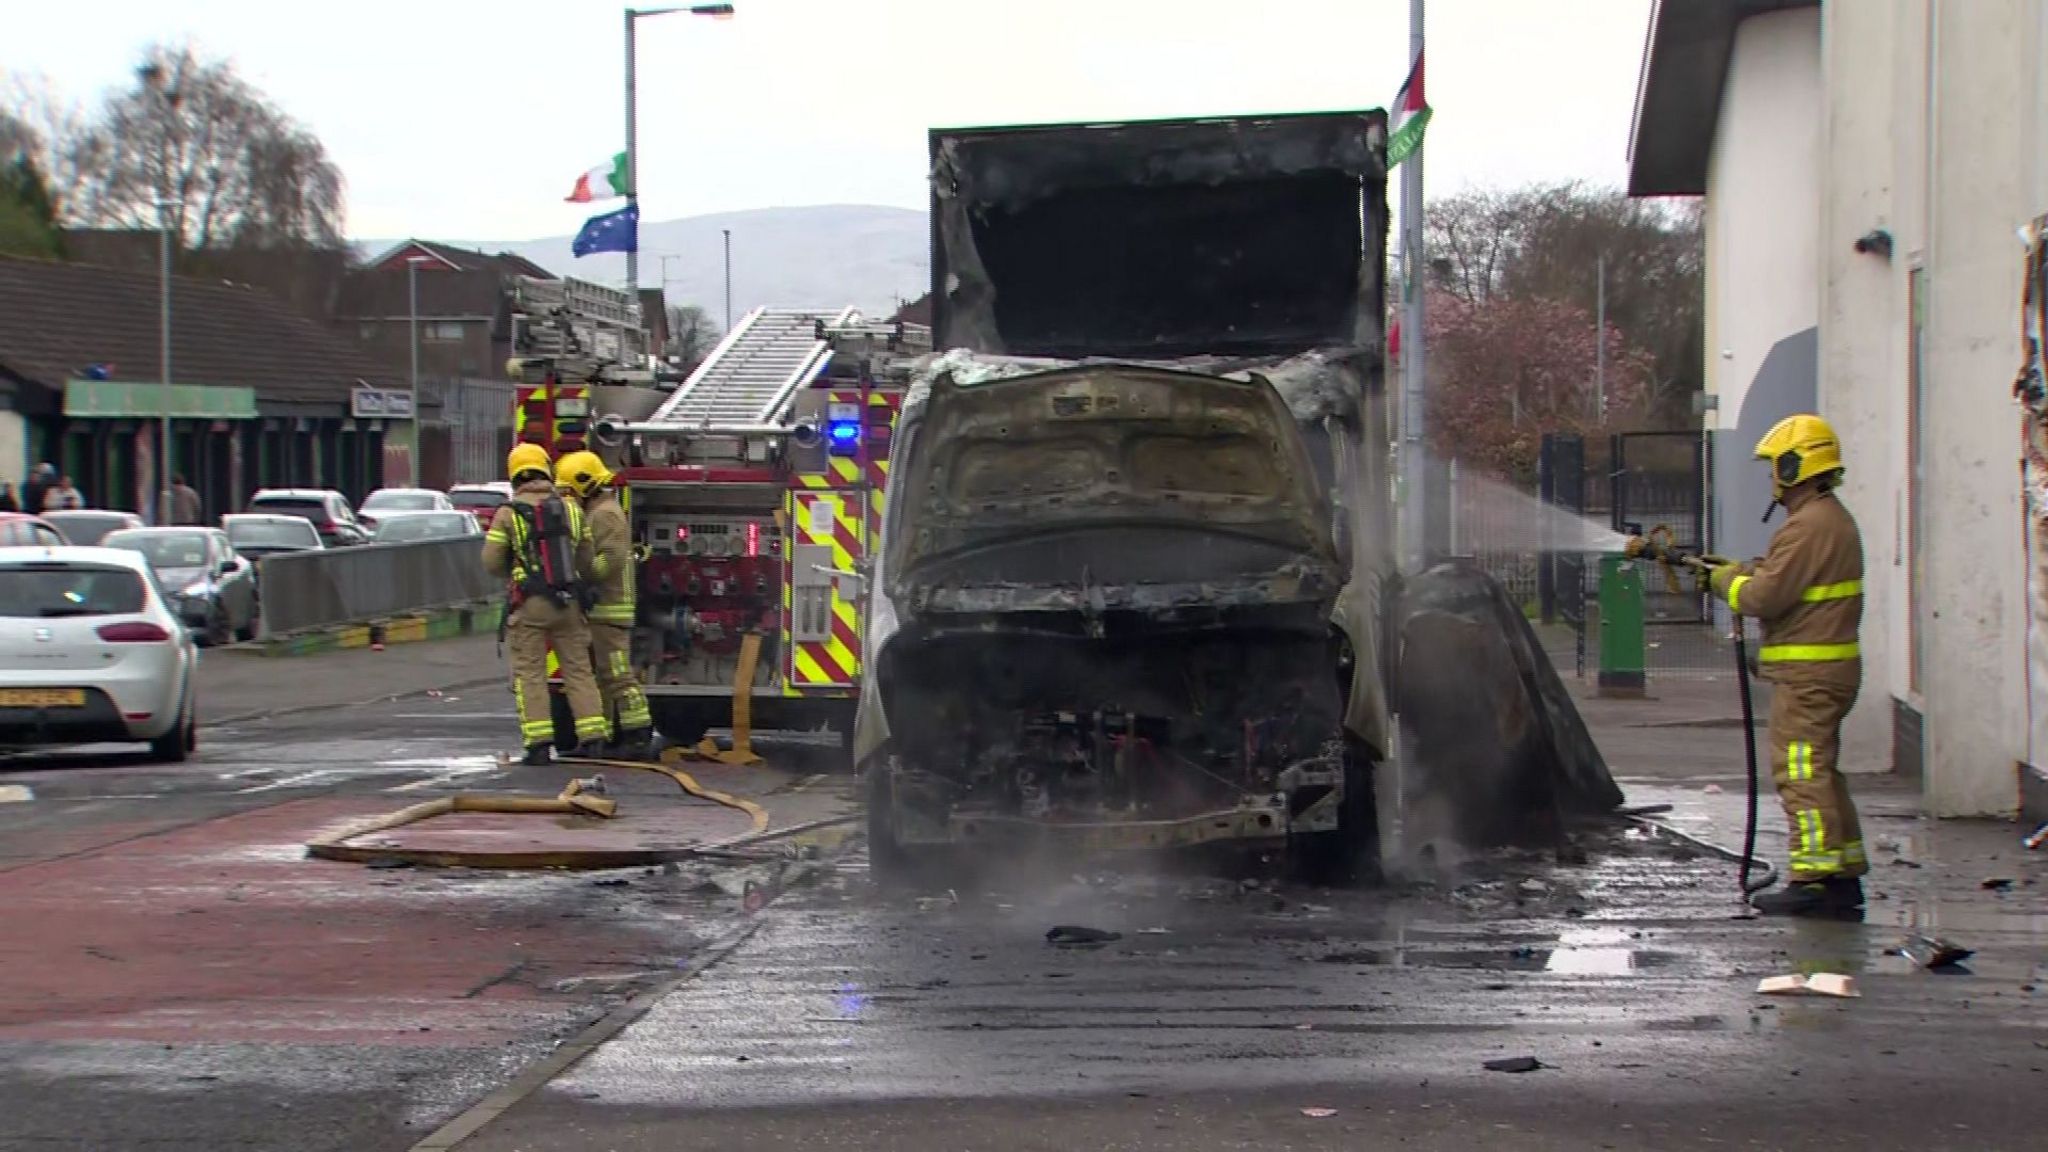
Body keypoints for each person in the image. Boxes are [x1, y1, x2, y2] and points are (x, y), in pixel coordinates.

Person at [1709, 413, 1868, 917]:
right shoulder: (1827, 521)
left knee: (1800, 771)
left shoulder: (1808, 526)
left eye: (1776, 465)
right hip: (1826, 672)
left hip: (1809, 678)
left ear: (1796, 464)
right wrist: (1738, 569)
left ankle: (1813, 878)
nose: (1772, 476)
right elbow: (1784, 578)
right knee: (1822, 771)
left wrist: (1724, 584)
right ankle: (1842, 874)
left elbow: (1765, 596)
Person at [481, 443, 610, 764]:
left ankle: (538, 744)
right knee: (579, 671)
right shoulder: (572, 510)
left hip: (530, 605)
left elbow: (492, 563)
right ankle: (593, 737)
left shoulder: (508, 514)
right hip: (568, 602)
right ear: (546, 471)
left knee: (531, 673)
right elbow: (585, 558)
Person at [556, 450, 653, 760]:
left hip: (610, 609)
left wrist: (579, 573)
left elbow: (609, 560)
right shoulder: (599, 511)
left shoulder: (605, 514)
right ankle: (605, 736)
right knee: (601, 676)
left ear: (585, 485)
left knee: (617, 674)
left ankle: (638, 735)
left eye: (570, 490)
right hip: (601, 610)